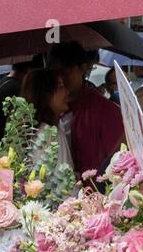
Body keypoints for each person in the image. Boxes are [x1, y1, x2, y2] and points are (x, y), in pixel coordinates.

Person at [50, 42, 122, 177]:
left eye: (65, 71)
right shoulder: (44, 111)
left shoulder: (105, 110)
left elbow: (117, 161)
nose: (60, 78)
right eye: (54, 72)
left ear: (83, 68)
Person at [21, 68, 74, 169]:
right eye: (60, 87)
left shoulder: (53, 128)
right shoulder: (47, 134)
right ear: (45, 95)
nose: (67, 92)